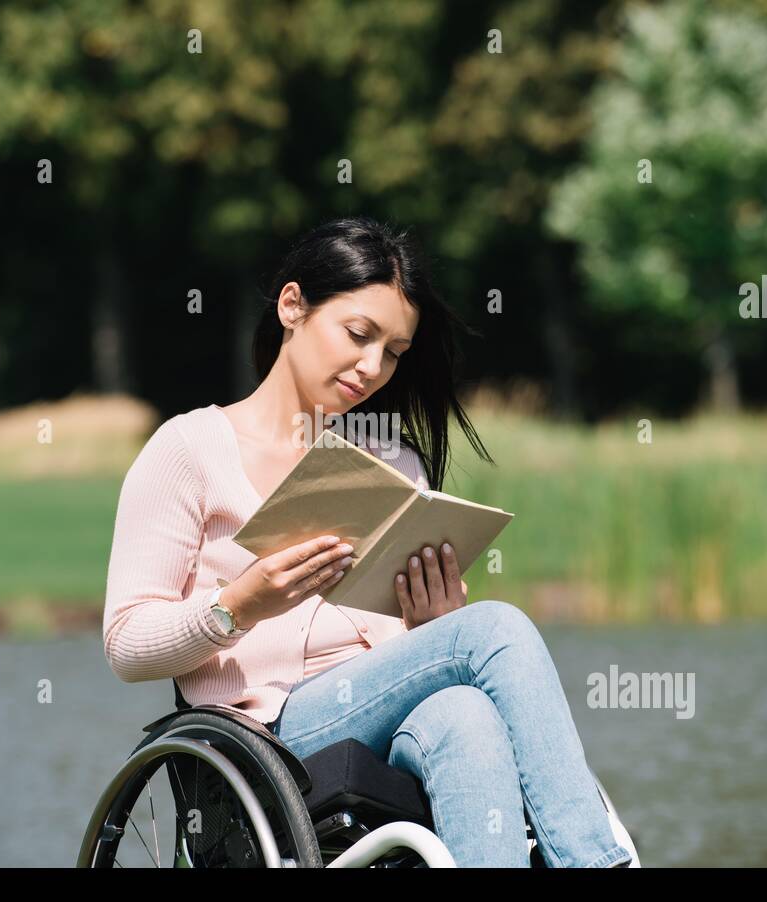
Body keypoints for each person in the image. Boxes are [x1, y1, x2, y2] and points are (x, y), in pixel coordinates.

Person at [103, 215, 634, 867]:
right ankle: (595, 861)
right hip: (267, 740)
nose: (373, 366)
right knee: (496, 629)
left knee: (466, 715)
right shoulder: (190, 451)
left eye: (394, 352)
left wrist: (430, 625)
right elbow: (126, 643)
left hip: (380, 729)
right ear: (293, 305)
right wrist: (239, 604)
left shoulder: (393, 461)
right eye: (359, 335)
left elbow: (402, 656)